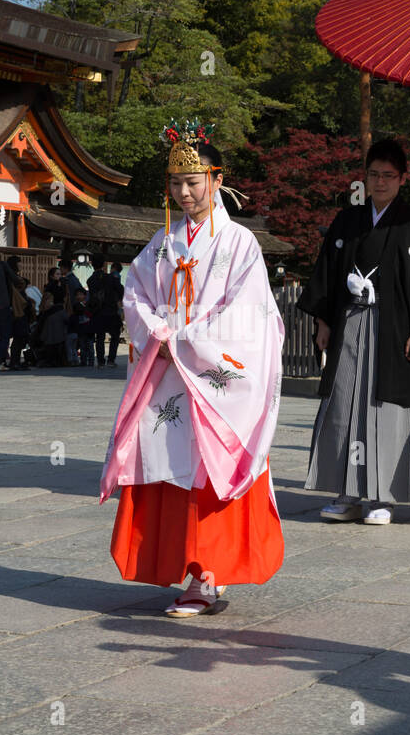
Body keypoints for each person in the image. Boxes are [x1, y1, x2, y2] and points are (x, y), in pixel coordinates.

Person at [101, 121, 284, 617]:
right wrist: (156, 334)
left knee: (208, 469)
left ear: (217, 180)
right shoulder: (162, 243)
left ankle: (209, 575)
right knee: (169, 466)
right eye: (176, 183)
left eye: (193, 181)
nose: (184, 192)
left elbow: (249, 314)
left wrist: (185, 342)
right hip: (166, 371)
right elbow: (135, 291)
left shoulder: (240, 243)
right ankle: (178, 563)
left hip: (207, 374)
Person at [298, 138, 410, 526]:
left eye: (388, 176)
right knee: (344, 403)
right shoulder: (347, 221)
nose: (379, 183)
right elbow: (327, 274)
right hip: (349, 323)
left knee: (386, 408)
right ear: (364, 178)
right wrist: (322, 322)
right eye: (373, 175)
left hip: (394, 327)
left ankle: (383, 495)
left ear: (402, 179)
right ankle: (345, 491)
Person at [89, 254, 123, 368]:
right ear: (104, 264)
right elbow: (120, 290)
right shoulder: (110, 278)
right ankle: (111, 360)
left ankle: (100, 361)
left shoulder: (90, 280)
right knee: (115, 336)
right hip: (111, 311)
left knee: (100, 337)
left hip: (98, 311)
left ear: (92, 264)